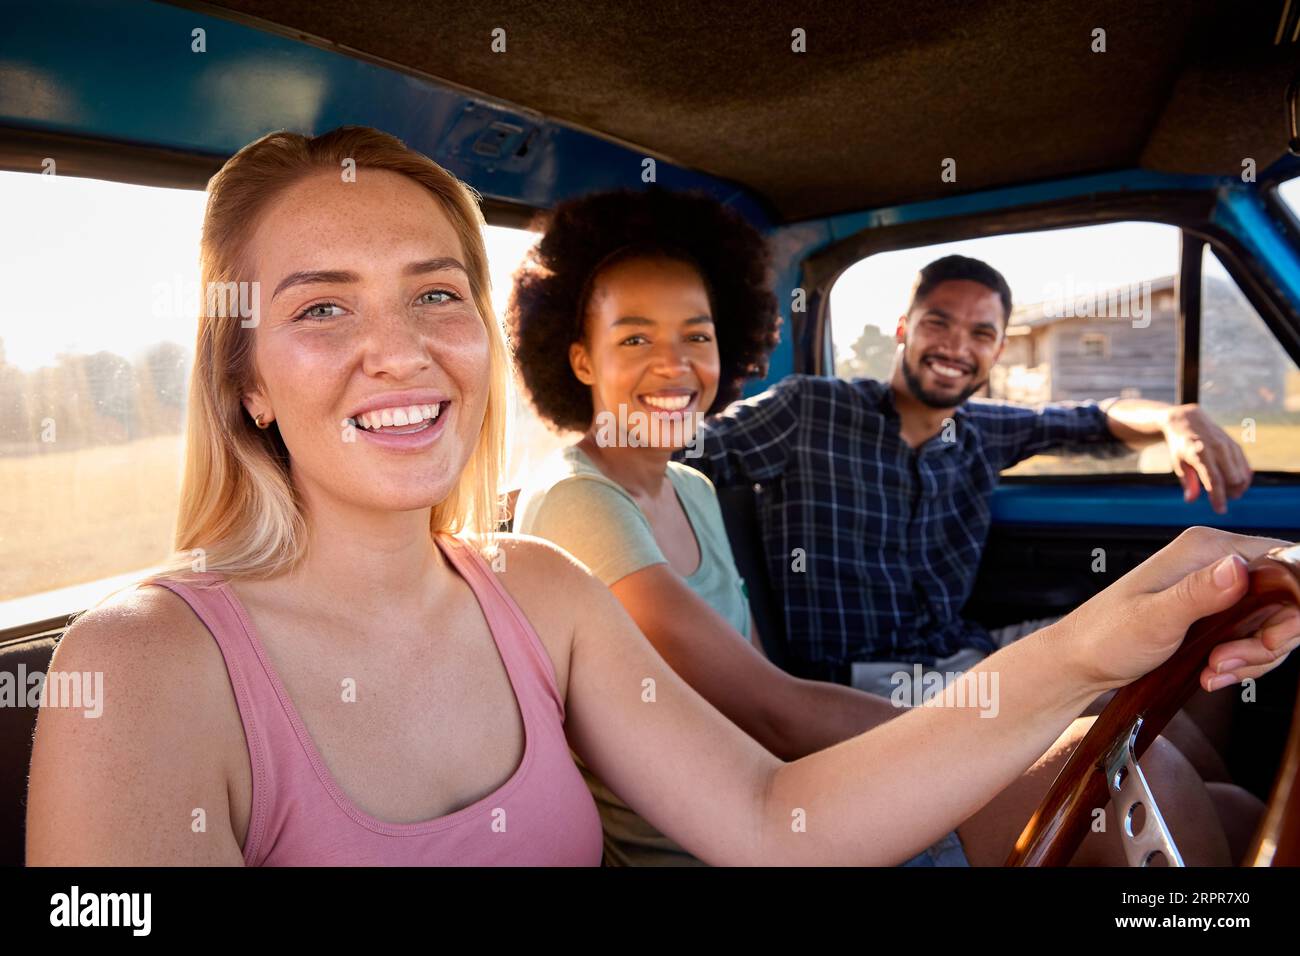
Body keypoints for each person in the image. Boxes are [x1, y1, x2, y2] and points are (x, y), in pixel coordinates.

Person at [25, 128, 1298, 868]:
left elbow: (768, 814)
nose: (400, 351)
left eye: (435, 293)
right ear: (244, 377)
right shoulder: (143, 665)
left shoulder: (533, 589)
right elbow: (772, 712)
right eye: (320, 308)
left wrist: (1089, 648)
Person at [508, 189, 1271, 864]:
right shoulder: (790, 418)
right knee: (1144, 770)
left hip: (862, 727)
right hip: (768, 798)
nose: (674, 365)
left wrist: (1177, 417)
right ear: (579, 359)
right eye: (634, 337)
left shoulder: (694, 488)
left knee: (1219, 784)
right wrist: (981, 738)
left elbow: (1089, 419)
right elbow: (774, 705)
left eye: (697, 336)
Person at [682, 255, 1254, 750]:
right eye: (939, 323)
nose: (957, 347)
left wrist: (1177, 417)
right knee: (1133, 726)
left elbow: (1093, 419)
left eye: (981, 333)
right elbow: (681, 454)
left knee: (1197, 634)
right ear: (904, 328)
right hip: (864, 681)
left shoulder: (982, 430)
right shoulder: (808, 409)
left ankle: (1215, 816)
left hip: (967, 651)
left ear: (998, 350)